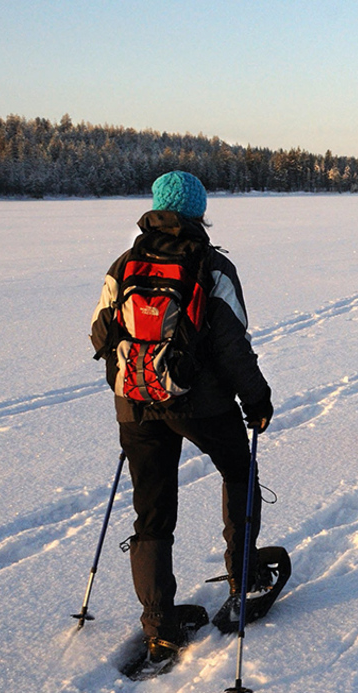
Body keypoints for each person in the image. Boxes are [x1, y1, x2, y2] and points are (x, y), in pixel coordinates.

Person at [89, 171, 274, 664]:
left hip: (135, 403)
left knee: (151, 511)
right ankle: (244, 578)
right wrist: (257, 400)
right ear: (199, 211)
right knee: (239, 471)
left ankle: (160, 626)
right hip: (201, 404)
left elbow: (98, 334)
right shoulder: (210, 266)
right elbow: (232, 346)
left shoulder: (124, 265)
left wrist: (131, 380)